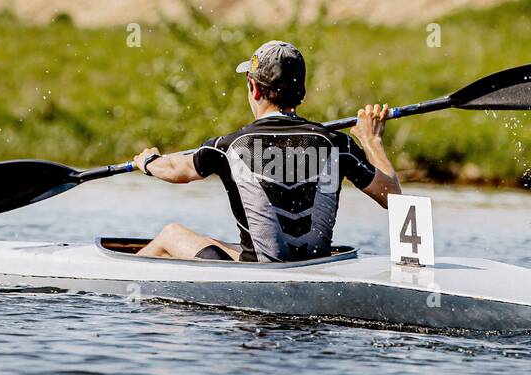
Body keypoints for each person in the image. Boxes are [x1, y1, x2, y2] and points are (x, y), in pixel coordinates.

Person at [132, 40, 401, 262]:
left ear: (254, 88)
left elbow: (176, 170)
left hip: (259, 275)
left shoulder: (229, 146)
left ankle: (123, 288)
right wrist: (372, 141)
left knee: (171, 234)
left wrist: (148, 161)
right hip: (315, 268)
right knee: (213, 243)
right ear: (302, 91)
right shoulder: (337, 144)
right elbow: (394, 198)